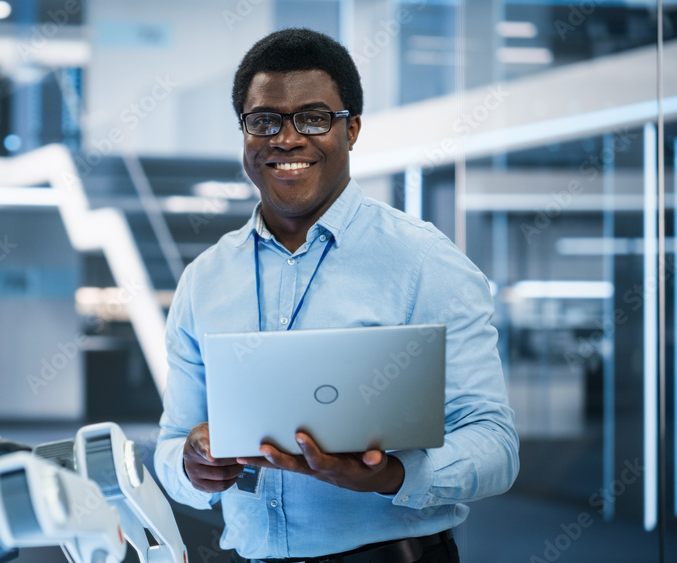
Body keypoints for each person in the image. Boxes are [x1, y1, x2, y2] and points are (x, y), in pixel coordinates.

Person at [153, 28, 519, 563]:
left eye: (314, 118)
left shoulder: (424, 263)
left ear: (352, 130)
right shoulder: (204, 279)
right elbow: (171, 442)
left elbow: (495, 445)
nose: (287, 139)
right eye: (264, 121)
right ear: (246, 135)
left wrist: (389, 475)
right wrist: (191, 466)